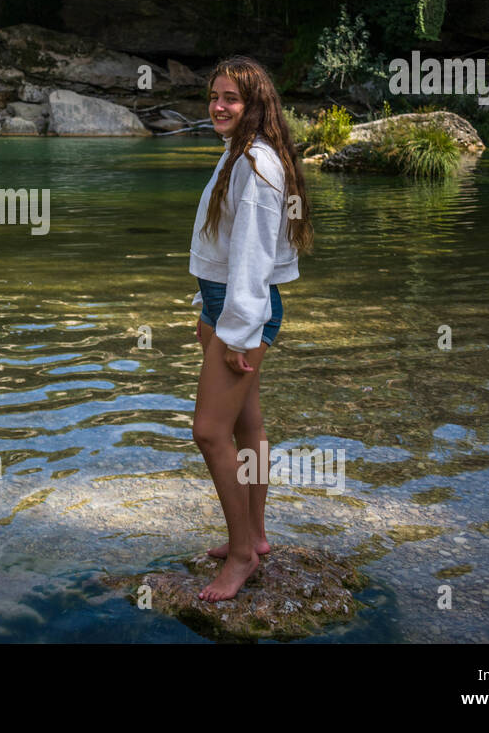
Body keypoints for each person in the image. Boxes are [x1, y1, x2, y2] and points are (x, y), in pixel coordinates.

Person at [187, 55, 314, 601]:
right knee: (248, 427)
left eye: (230, 99)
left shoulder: (257, 164)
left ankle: (240, 557)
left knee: (208, 431)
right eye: (214, 97)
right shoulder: (237, 154)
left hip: (246, 309)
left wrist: (237, 331)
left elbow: (255, 260)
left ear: (254, 105)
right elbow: (223, 244)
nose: (219, 106)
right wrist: (206, 307)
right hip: (228, 304)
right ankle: (257, 536)